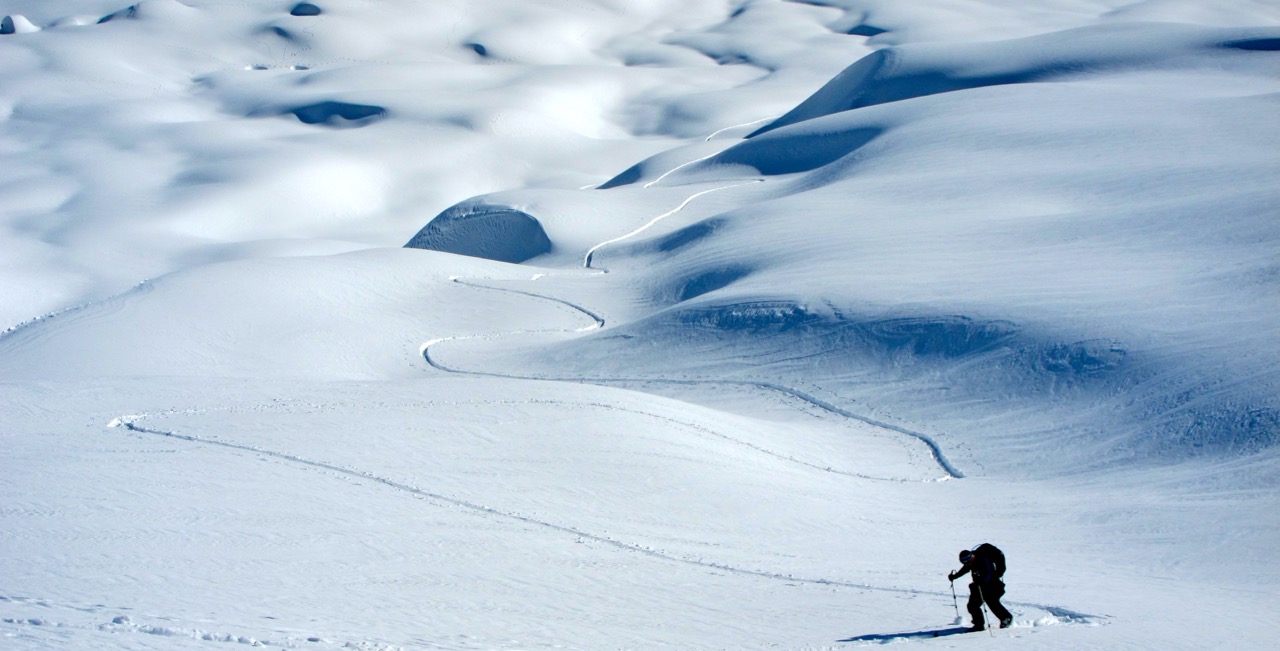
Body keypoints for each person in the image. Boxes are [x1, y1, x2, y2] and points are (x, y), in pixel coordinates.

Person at [948, 543, 1013, 631]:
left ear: (971, 557)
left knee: (992, 601)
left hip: (992, 584)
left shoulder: (983, 559)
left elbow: (989, 572)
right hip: (979, 585)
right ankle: (979, 625)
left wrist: (982, 582)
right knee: (972, 605)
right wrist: (955, 576)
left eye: (968, 562)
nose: (967, 564)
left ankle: (1006, 618)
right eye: (965, 563)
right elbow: (966, 568)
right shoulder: (970, 561)